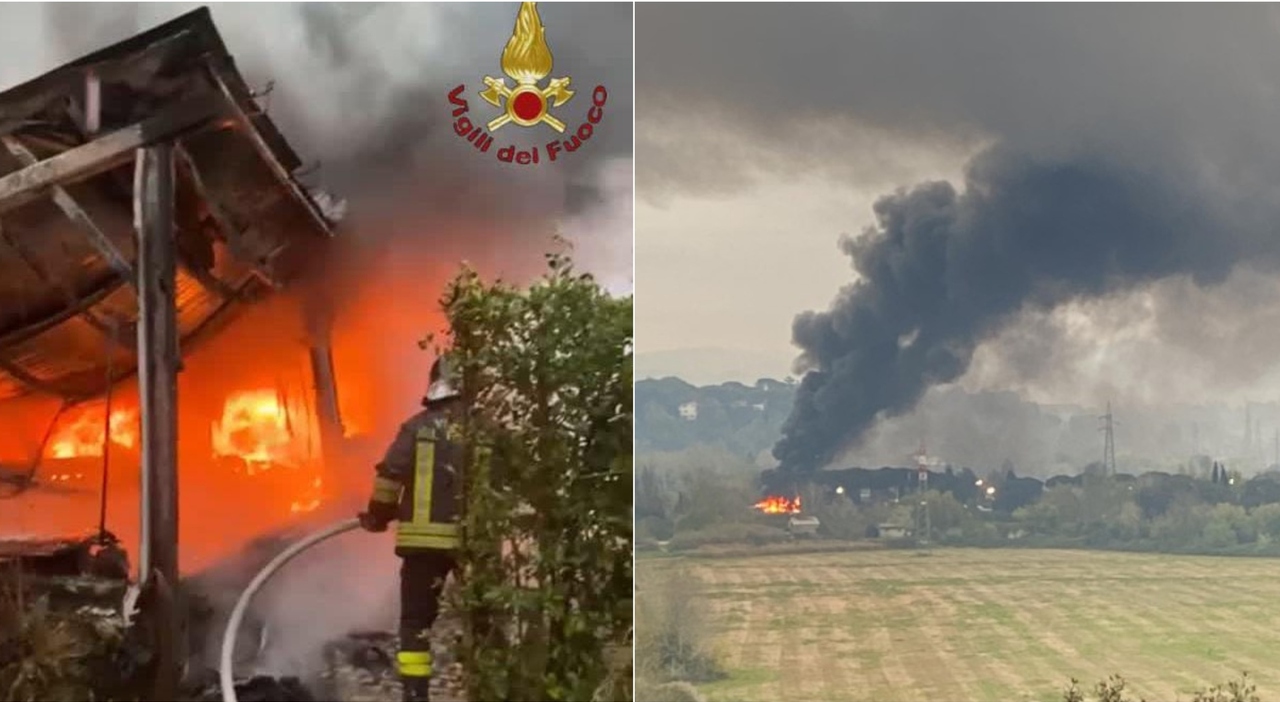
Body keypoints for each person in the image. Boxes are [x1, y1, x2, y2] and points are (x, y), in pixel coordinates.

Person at [359, 356, 465, 702]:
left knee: (416, 624)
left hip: (422, 548)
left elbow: (389, 476)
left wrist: (378, 516)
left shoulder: (416, 428)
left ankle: (416, 695)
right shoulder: (484, 429)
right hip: (471, 545)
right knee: (483, 616)